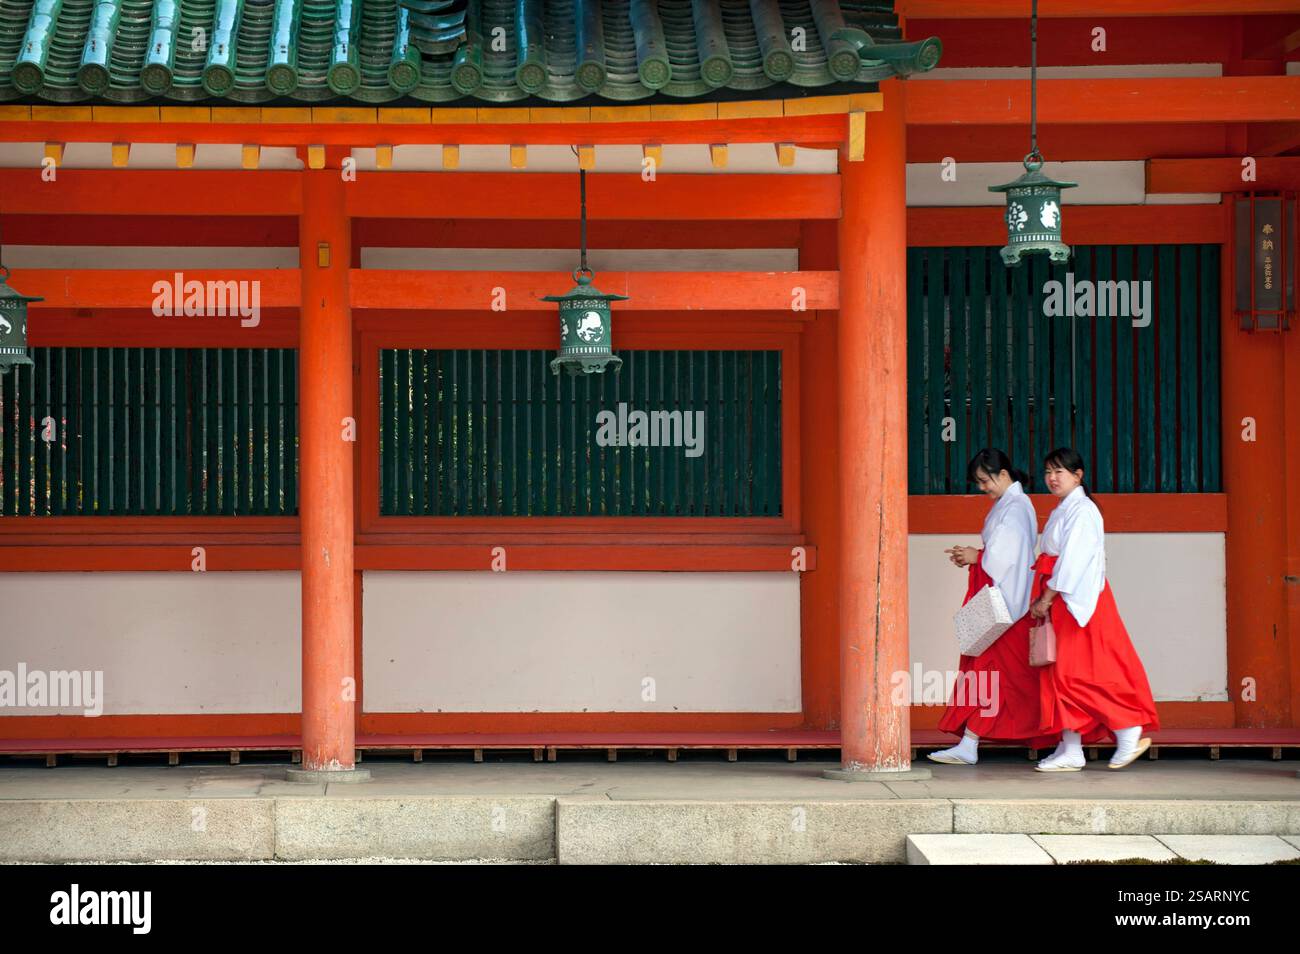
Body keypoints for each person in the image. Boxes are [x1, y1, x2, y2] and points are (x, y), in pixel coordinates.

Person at [1030, 447, 1160, 772]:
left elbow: (1072, 561)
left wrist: (1047, 597)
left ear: (1078, 475)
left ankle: (1128, 729)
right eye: (1048, 471)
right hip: (1061, 598)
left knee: (1079, 674)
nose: (1052, 478)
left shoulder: (1083, 510)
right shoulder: (1065, 508)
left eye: (1059, 471)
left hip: (1077, 600)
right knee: (1060, 675)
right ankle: (1071, 747)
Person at [929, 449, 1058, 764]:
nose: (982, 488)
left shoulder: (1015, 508)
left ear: (1003, 475)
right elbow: (1001, 554)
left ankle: (972, 743)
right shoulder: (1013, 505)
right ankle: (1050, 736)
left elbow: (1002, 558)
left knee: (989, 675)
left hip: (1008, 608)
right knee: (1004, 679)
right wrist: (977, 555)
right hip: (1010, 603)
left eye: (985, 480)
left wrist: (977, 556)